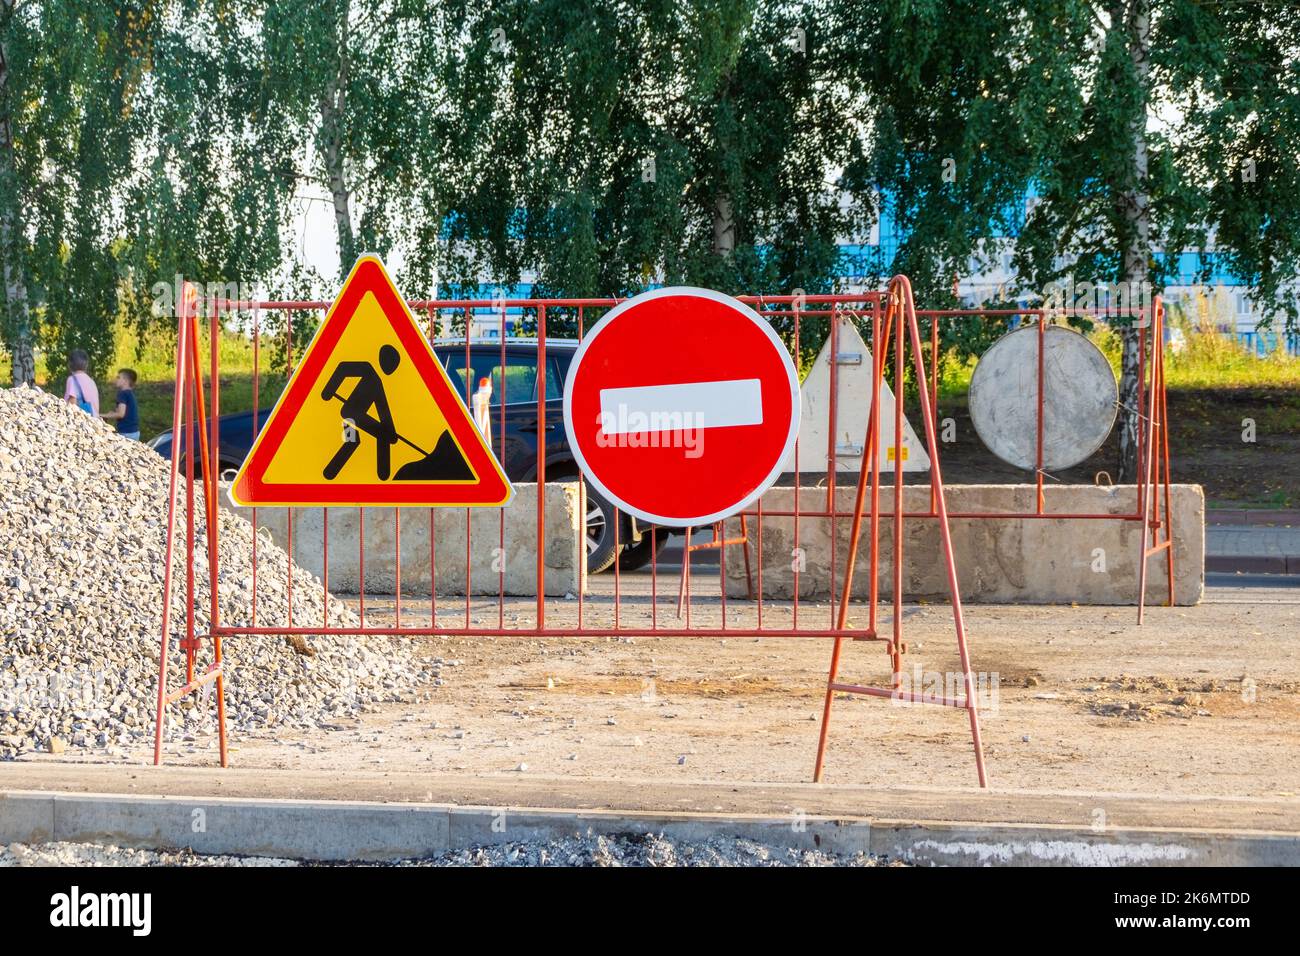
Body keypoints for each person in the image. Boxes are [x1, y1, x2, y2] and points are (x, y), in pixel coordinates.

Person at [320, 345, 401, 480]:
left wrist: (391, 431)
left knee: (355, 440)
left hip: (351, 417)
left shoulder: (378, 382)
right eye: (391, 365)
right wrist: (328, 390)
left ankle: (383, 474)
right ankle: (383, 473)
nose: (391, 369)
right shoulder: (368, 370)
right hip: (350, 415)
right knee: (380, 433)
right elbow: (343, 368)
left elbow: (383, 410)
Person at [100, 368, 140, 440]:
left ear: (125, 381)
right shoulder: (129, 393)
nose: (116, 379)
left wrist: (102, 415)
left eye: (118, 377)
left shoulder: (123, 394)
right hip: (134, 431)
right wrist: (112, 413)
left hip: (127, 432)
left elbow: (121, 414)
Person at [63, 350, 99, 417]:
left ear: (70, 364)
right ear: (86, 365)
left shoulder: (72, 379)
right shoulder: (91, 381)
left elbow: (72, 402)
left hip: (82, 421)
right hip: (94, 420)